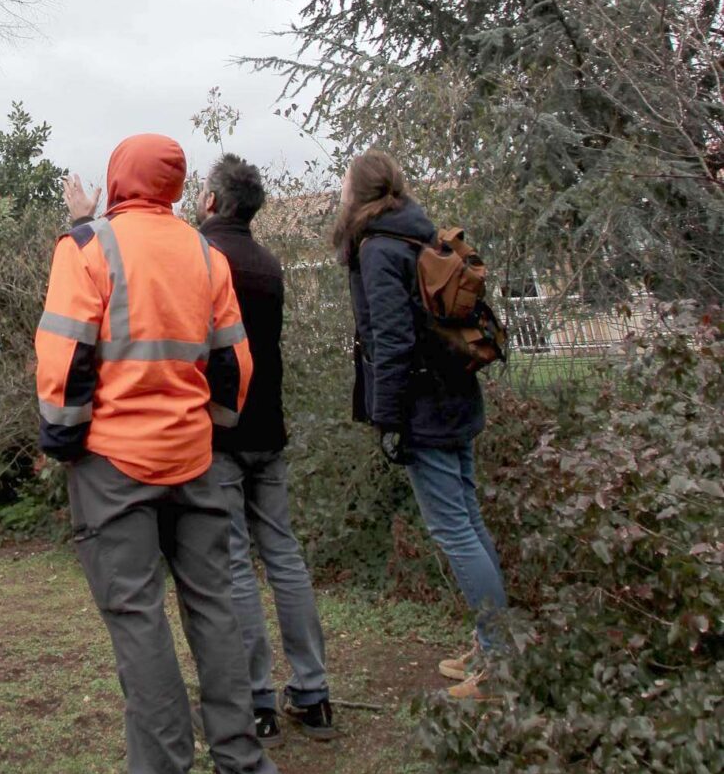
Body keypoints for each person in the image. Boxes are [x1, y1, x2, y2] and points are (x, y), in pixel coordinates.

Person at [36, 134, 279, 774]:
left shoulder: (86, 247)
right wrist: (209, 432)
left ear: (116, 179)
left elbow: (64, 358)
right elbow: (234, 366)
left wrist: (65, 441)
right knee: (215, 612)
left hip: (114, 465)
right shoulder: (203, 255)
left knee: (138, 623)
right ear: (177, 189)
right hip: (196, 459)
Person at [336, 148, 507, 698]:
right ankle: (491, 645)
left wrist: (387, 419)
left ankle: (500, 664)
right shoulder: (420, 234)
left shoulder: (379, 248)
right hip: (457, 393)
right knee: (468, 518)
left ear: (357, 195)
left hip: (425, 407)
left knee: (454, 529)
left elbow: (391, 339)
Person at [199, 153, 334, 743]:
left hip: (222, 433)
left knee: (233, 563)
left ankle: (257, 701)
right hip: (268, 430)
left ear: (210, 202)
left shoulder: (203, 259)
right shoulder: (269, 263)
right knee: (283, 555)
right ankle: (314, 691)